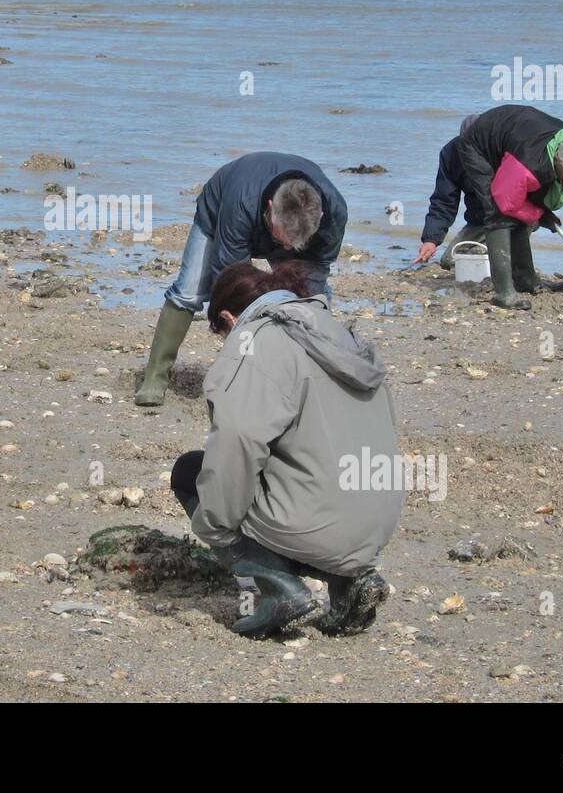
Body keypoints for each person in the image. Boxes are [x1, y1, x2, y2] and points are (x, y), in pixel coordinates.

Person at [170, 260, 402, 637]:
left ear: (229, 319)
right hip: (376, 522)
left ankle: (279, 588)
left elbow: (239, 439)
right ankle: (351, 581)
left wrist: (216, 528)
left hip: (317, 522)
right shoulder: (336, 333)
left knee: (192, 473)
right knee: (306, 468)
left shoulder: (256, 341)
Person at [134, 152, 347, 407]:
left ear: (320, 217)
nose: (288, 247)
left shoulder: (335, 212)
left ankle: (307, 377)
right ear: (270, 207)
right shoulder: (240, 203)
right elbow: (231, 280)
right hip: (220, 209)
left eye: (297, 240)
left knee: (310, 303)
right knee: (188, 292)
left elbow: (316, 275)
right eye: (284, 238)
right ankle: (155, 378)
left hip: (281, 226)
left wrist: (303, 299)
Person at [457, 104, 563, 310]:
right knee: (498, 213)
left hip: (516, 138)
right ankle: (504, 292)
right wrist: (539, 214)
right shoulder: (530, 162)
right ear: (557, 162)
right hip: (480, 145)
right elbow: (507, 201)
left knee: (523, 207)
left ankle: (525, 279)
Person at [413, 113, 488, 269]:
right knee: (449, 261)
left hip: (510, 218)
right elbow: (443, 200)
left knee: (498, 254)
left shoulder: (502, 151)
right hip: (480, 222)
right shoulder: (451, 154)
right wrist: (431, 240)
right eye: (467, 145)